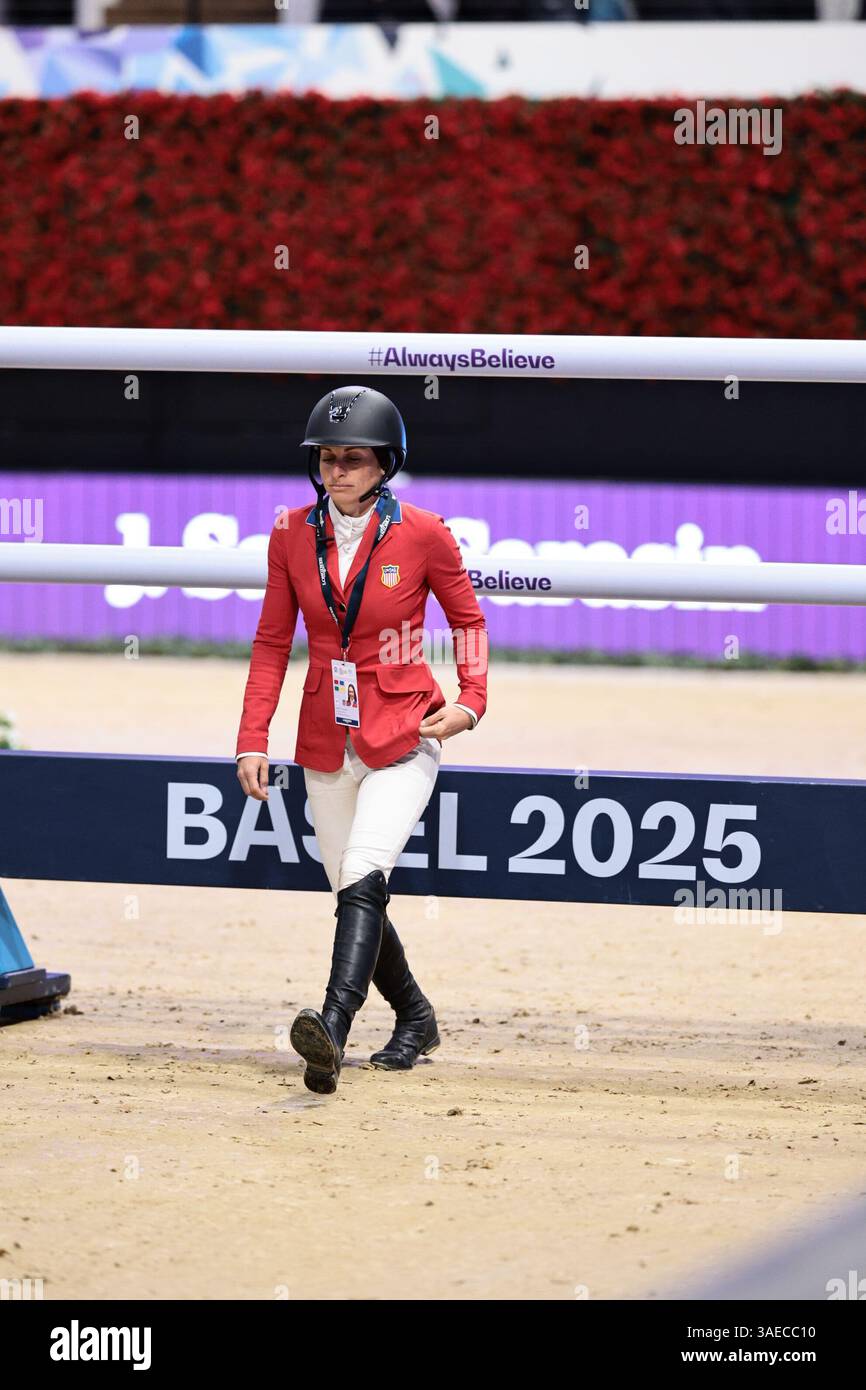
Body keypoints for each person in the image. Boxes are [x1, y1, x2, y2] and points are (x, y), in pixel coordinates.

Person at [235, 385, 488, 1094]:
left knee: (364, 873)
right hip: (323, 737)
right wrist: (252, 737)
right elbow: (269, 641)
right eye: (326, 457)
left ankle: (332, 1030)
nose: (335, 469)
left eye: (352, 458)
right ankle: (415, 1016)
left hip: (406, 731)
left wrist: (472, 701)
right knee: (356, 891)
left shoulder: (424, 532)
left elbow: (469, 622)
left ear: (385, 464)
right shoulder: (289, 532)